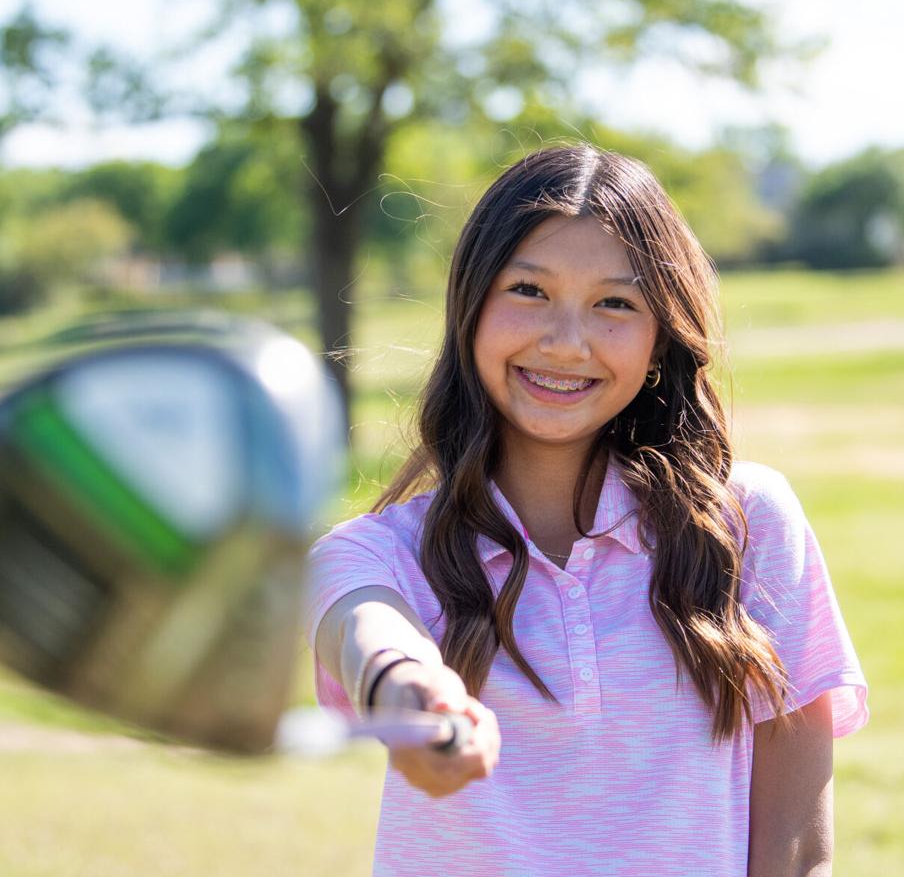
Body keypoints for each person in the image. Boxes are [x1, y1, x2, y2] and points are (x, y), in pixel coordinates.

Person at [305, 145, 868, 877]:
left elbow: (795, 849)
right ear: (470, 308)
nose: (566, 343)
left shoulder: (749, 524)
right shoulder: (376, 551)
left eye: (615, 303)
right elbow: (364, 632)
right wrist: (409, 690)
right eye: (529, 291)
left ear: (662, 338)